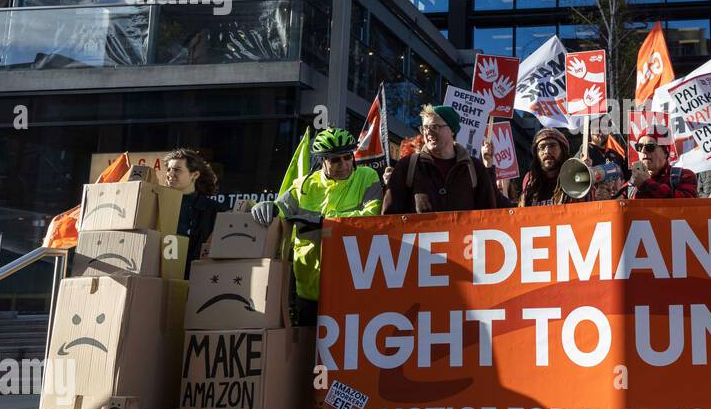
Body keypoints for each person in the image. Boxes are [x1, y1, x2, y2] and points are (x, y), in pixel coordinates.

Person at [251, 127, 382, 327]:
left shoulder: (367, 176)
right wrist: (268, 206)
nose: (344, 164)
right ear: (323, 161)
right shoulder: (304, 185)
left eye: (347, 157)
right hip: (309, 286)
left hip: (352, 283)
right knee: (307, 351)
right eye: (335, 160)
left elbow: (371, 216)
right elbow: (281, 208)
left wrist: (323, 220)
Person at [384, 105, 497, 214]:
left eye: (434, 127)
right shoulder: (407, 166)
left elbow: (489, 216)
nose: (428, 132)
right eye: (424, 128)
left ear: (452, 130)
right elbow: (390, 219)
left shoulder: (475, 168)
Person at [162, 148, 228, 274]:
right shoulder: (158, 202)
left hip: (197, 277)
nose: (170, 174)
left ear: (195, 175)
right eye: (169, 169)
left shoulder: (214, 210)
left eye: (177, 169)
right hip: (162, 274)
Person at [621, 133, 697, 199]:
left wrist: (647, 184)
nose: (643, 151)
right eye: (639, 147)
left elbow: (686, 204)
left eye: (650, 147)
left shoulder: (684, 176)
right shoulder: (631, 184)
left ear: (665, 153)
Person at [519, 128, 572, 206]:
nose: (547, 151)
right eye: (542, 147)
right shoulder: (530, 180)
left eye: (552, 145)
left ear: (562, 150)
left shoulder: (573, 178)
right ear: (536, 154)